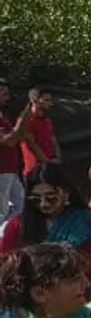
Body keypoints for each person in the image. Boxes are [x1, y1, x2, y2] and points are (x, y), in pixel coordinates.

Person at [0, 164, 91, 300]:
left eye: (50, 198)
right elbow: (6, 263)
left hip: (78, 294)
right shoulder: (19, 224)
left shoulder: (82, 220)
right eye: (36, 199)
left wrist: (71, 266)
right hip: (35, 297)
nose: (43, 204)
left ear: (65, 193)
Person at [0, 87, 29, 222]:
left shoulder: (3, 116)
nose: (8, 97)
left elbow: (18, 138)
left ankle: (6, 234)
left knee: (20, 205)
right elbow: (9, 141)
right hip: (2, 170)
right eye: (4, 93)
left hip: (10, 169)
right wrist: (24, 115)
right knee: (2, 209)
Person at [19, 87, 61, 177]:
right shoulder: (26, 121)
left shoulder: (47, 121)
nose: (50, 103)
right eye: (46, 100)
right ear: (35, 100)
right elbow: (31, 144)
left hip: (50, 167)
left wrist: (57, 158)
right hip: (34, 169)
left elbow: (54, 141)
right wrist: (46, 160)